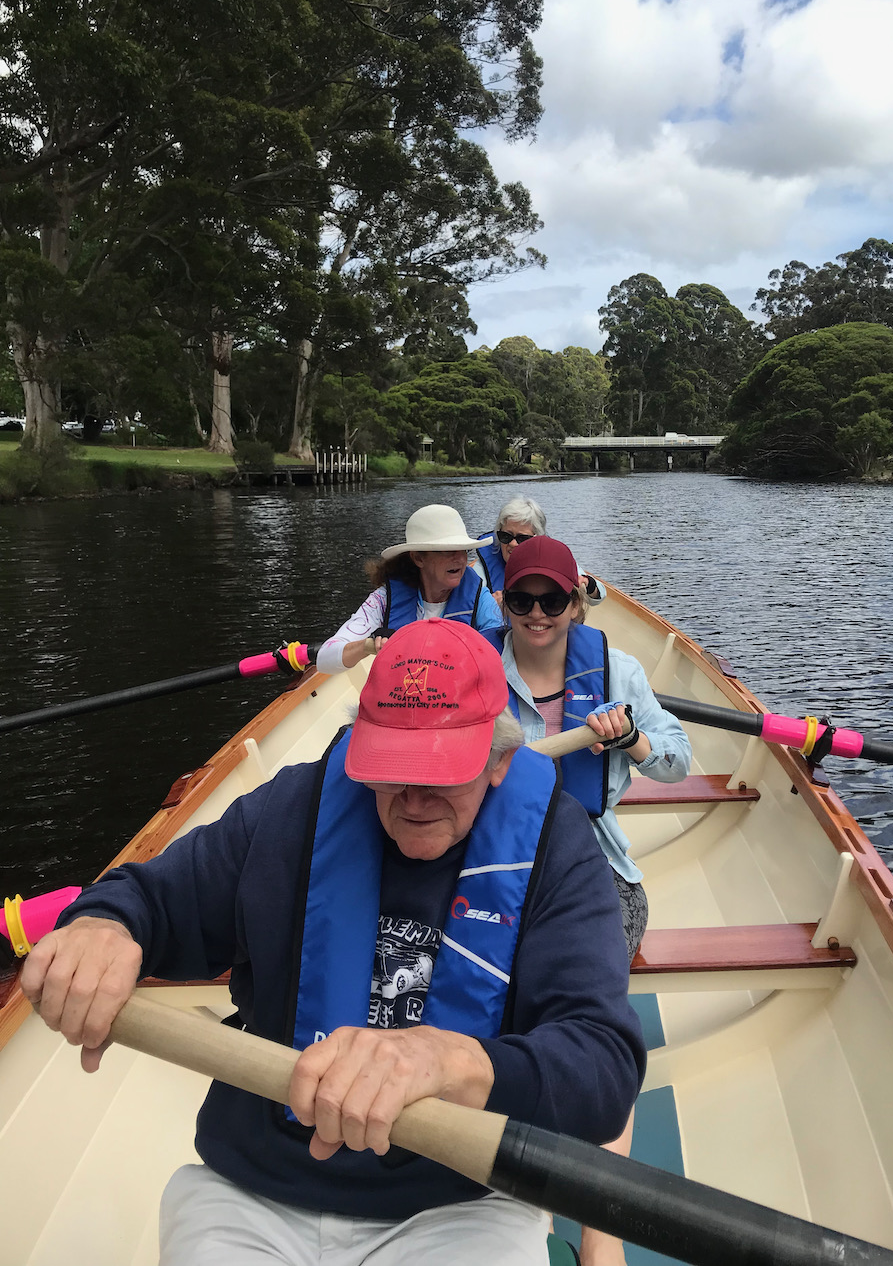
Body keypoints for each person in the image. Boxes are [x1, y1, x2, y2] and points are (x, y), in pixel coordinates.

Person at [21, 619, 645, 1266]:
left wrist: (451, 1061)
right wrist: (103, 926)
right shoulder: (291, 811)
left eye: (442, 772)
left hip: (457, 1205)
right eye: (392, 770)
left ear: (501, 760)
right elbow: (147, 898)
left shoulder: (557, 850)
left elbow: (603, 1065)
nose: (415, 798)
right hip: (253, 1193)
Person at [484, 534, 691, 1266]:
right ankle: (527, 1216)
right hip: (496, 866)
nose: (537, 614)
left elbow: (677, 761)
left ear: (574, 603)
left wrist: (630, 739)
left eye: (552, 599)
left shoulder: (619, 671)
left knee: (592, 1036)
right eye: (521, 599)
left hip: (595, 873)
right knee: (496, 1013)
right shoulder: (480, 664)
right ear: (503, 601)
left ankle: (600, 1238)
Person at [317, 504, 503, 671]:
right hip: (403, 699)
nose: (461, 559)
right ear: (418, 558)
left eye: (464, 550)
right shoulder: (383, 600)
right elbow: (325, 657)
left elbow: (502, 653)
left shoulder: (479, 598)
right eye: (448, 550)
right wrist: (369, 645)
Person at [472, 497, 605, 606]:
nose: (512, 544)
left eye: (522, 538)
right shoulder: (481, 569)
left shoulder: (554, 556)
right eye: (506, 536)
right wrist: (488, 605)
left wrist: (586, 584)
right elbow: (471, 604)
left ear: (538, 538)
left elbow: (599, 596)